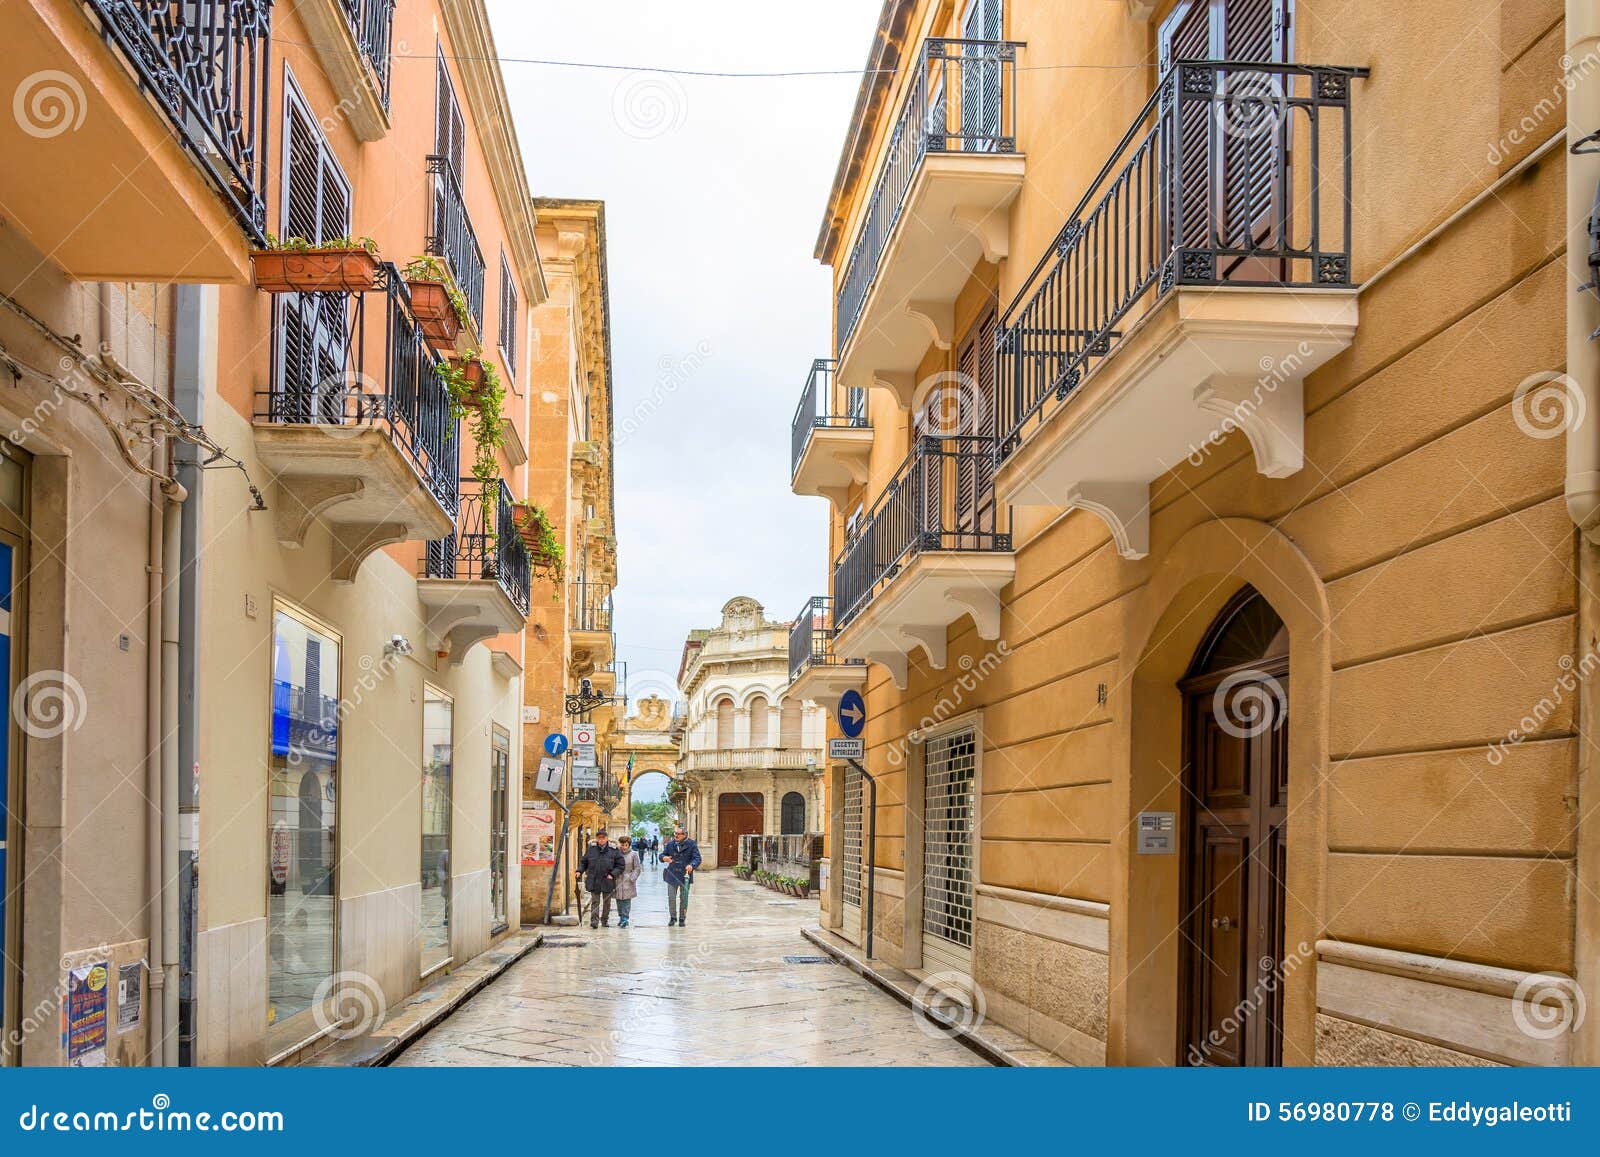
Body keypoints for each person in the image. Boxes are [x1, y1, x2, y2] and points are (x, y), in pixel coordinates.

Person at [577, 829, 625, 929]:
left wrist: (612, 874)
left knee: (606, 902)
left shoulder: (614, 850)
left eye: (603, 838)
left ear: (607, 839)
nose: (601, 840)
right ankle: (594, 921)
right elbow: (584, 862)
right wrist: (579, 871)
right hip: (594, 880)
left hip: (607, 880)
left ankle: (604, 920)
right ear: (597, 839)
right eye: (599, 838)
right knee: (595, 902)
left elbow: (620, 865)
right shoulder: (591, 849)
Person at [660, 824, 701, 927]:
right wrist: (664, 858)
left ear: (684, 835)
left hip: (685, 875)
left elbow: (697, 858)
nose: (676, 836)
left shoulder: (692, 844)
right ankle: (673, 917)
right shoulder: (670, 844)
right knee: (671, 897)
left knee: (684, 898)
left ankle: (682, 918)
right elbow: (661, 855)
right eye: (675, 834)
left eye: (678, 834)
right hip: (672, 874)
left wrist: (692, 865)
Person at [613, 835, 642, 927]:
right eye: (622, 845)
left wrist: (632, 878)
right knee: (619, 900)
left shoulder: (634, 854)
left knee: (626, 900)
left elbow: (637, 868)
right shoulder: (616, 854)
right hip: (617, 879)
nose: (624, 847)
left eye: (626, 845)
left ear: (629, 845)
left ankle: (625, 918)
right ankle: (621, 917)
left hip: (628, 879)